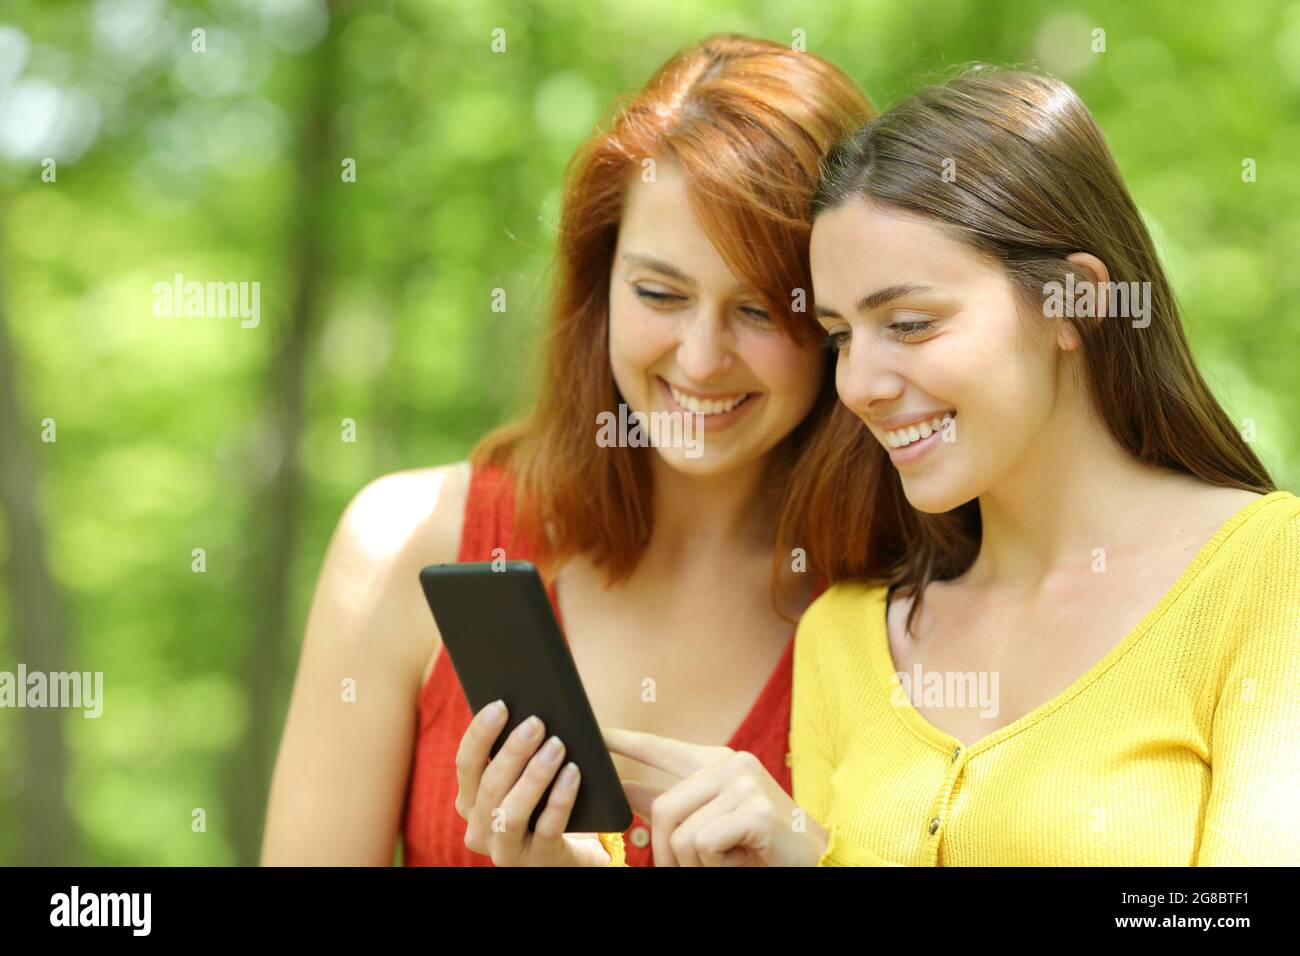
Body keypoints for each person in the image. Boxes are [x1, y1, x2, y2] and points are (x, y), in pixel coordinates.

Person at [604, 66, 1299, 866]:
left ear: (1074, 302)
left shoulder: (1269, 578)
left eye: (909, 322)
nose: (859, 386)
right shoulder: (847, 633)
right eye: (840, 336)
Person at [260, 34, 874, 866]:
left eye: (760, 310)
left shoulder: (905, 602)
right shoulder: (406, 540)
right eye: (659, 293)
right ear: (600, 285)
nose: (699, 359)